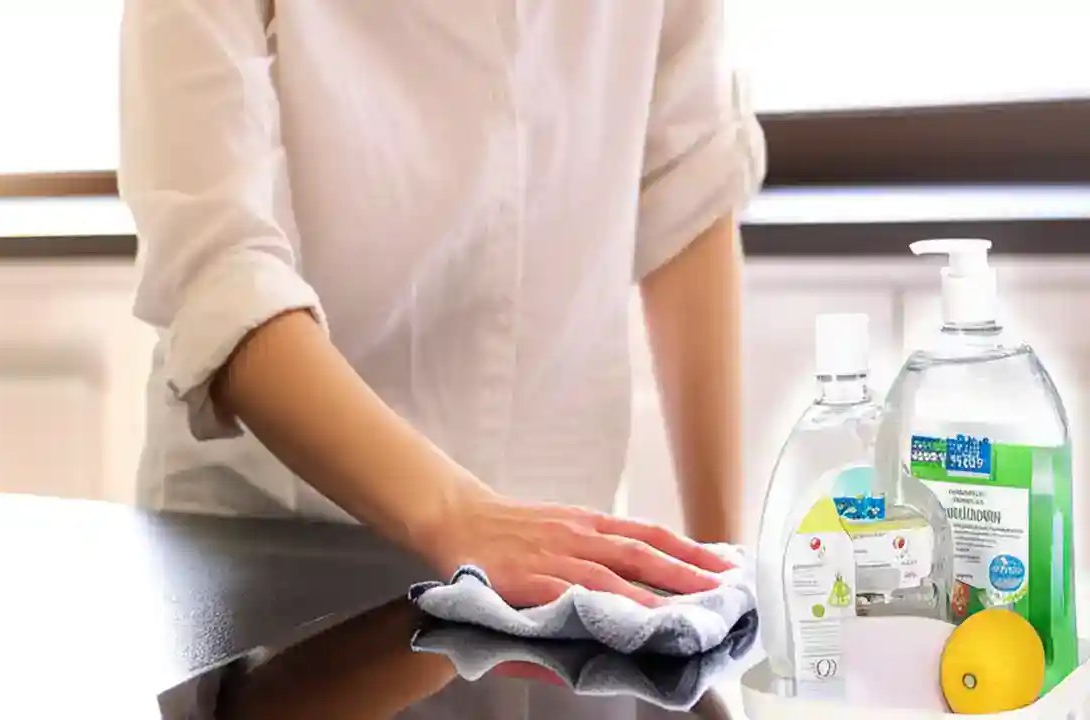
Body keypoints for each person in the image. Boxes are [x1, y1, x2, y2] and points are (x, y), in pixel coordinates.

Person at [119, 0, 764, 609]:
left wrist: (722, 582)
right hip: (278, 541)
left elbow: (690, 181)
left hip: (558, 555)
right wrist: (462, 516)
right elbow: (224, 271)